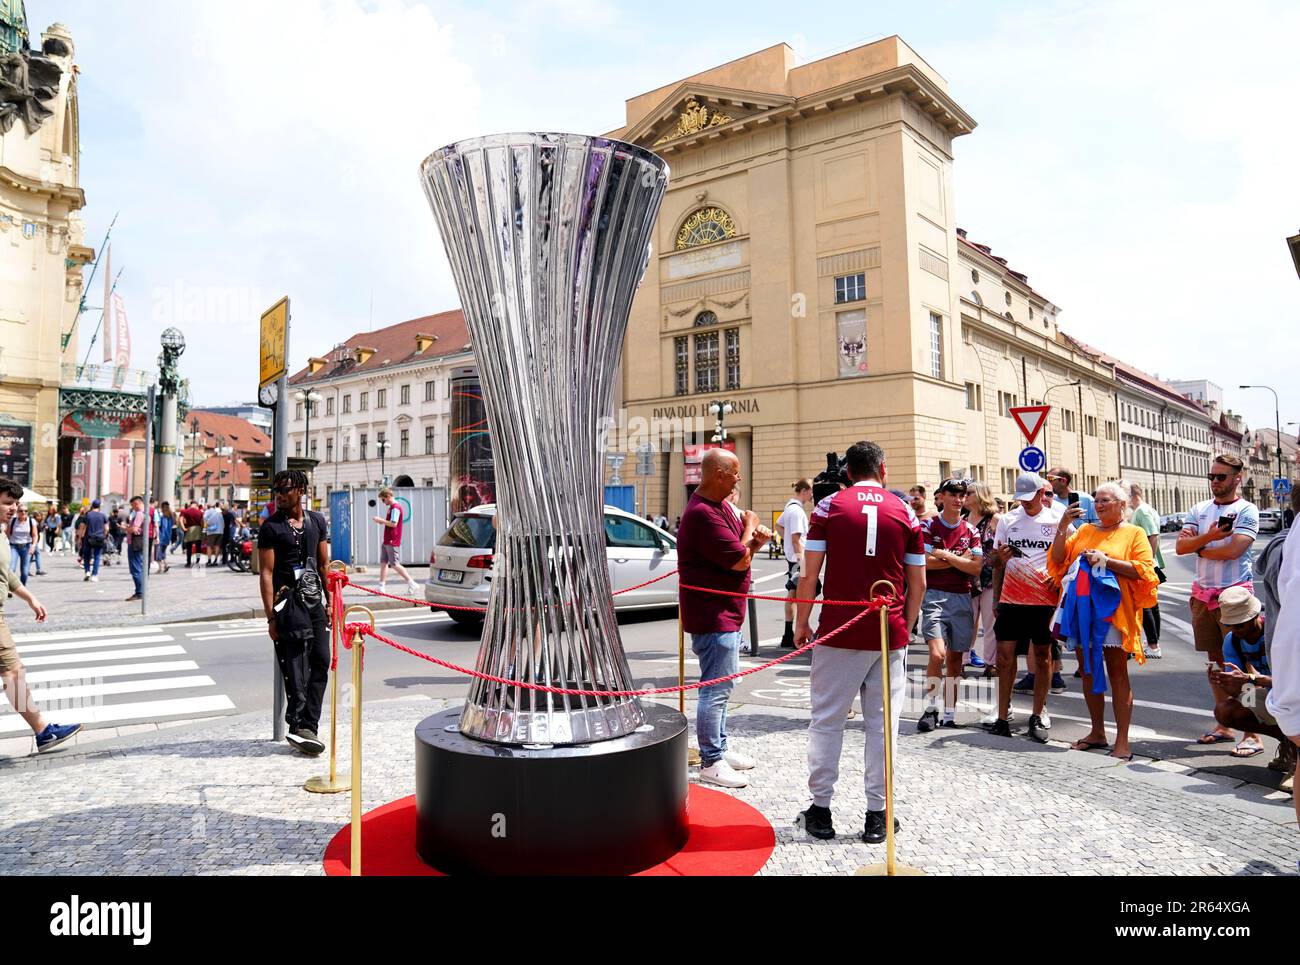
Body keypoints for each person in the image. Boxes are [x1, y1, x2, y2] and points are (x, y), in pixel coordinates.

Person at [792, 441, 925, 843]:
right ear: (883, 469)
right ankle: (878, 815)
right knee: (882, 727)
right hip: (889, 631)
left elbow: (809, 573)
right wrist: (907, 624)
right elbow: (917, 581)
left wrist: (802, 620)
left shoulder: (827, 507)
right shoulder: (905, 510)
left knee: (827, 721)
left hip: (838, 628)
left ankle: (820, 810)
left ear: (848, 471)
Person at [676, 447, 771, 788]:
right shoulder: (702, 513)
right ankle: (711, 759)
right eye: (734, 472)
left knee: (723, 684)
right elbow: (738, 561)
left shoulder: (718, 508)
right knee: (715, 688)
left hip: (725, 612)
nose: (738, 478)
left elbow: (739, 553)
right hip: (712, 614)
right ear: (718, 474)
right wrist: (750, 526)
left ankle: (720, 747)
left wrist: (753, 541)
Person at [1049, 481, 1158, 760]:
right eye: (1096, 500)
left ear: (1122, 505)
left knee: (1118, 673)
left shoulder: (1134, 533)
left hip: (1115, 614)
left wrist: (1105, 561)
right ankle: (1097, 732)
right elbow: (1059, 559)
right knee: (1087, 671)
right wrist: (1062, 524)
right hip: (1083, 611)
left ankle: (1122, 740)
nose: (1098, 505)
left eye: (1105, 500)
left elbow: (1144, 571)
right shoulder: (1085, 530)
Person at [1176, 453, 1261, 755]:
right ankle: (1224, 723)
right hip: (1202, 595)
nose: (1214, 482)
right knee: (1214, 664)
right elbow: (1180, 546)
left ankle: (1252, 730)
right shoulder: (1199, 509)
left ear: (1238, 477)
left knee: (1242, 665)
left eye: (1221, 476)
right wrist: (1211, 538)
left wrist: (1200, 547)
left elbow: (1235, 550)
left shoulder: (1247, 510)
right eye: (1211, 476)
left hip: (1235, 596)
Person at [0, 478, 82, 752]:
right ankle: (44, 732)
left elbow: (7, 575)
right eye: (7, 503)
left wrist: (30, 598)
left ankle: (43, 730)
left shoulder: (1, 532)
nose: (13, 509)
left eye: (15, 504)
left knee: (14, 674)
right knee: (13, 674)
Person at [987, 472, 1066, 741]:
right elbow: (994, 563)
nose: (1025, 504)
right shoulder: (1008, 520)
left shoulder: (1057, 519)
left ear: (1042, 494)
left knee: (1043, 657)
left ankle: (1038, 713)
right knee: (1005, 657)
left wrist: (1060, 580)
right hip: (1012, 598)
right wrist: (999, 560)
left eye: (1030, 498)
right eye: (1020, 499)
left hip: (1044, 600)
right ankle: (1002, 715)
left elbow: (1072, 556)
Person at [258, 469, 331, 756]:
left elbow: (325, 565)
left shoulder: (316, 521)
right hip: (287, 603)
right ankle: (299, 725)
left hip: (314, 601)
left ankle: (309, 724)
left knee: (321, 661)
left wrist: (333, 600)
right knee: (295, 666)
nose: (279, 494)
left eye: (285, 489)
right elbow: (266, 573)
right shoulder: (271, 527)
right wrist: (270, 617)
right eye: (276, 489)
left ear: (300, 490)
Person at [917, 478, 982, 731]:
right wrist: (956, 559)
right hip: (934, 595)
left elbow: (976, 567)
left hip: (962, 597)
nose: (958, 499)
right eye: (952, 494)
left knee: (955, 660)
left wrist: (942, 554)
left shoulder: (971, 530)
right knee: (937, 654)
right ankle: (930, 707)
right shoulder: (928, 525)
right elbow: (924, 561)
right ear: (941, 496)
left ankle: (949, 713)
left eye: (962, 495)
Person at [965, 482, 1002, 678]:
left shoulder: (994, 519)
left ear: (980, 496)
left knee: (990, 622)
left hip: (989, 578)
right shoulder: (963, 519)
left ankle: (991, 663)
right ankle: (961, 660)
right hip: (967, 578)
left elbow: (1002, 547)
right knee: (966, 622)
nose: (965, 496)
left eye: (969, 493)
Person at [1128, 482, 1165, 658]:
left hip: (1145, 564)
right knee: (1151, 604)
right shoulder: (1148, 509)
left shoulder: (1141, 511)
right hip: (1151, 563)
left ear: (1130, 495)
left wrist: (1146, 562)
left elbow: (1152, 535)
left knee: (1145, 605)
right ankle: (1154, 641)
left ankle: (1153, 644)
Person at [776, 478, 814, 649]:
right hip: (798, 559)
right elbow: (796, 539)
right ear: (804, 491)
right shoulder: (797, 511)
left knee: (792, 596)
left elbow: (779, 526)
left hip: (793, 558)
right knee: (800, 596)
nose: (812, 494)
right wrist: (802, 562)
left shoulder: (789, 508)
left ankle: (788, 633)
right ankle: (793, 633)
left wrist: (788, 546)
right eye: (811, 490)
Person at [372, 487, 420, 595]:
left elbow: (394, 523)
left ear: (388, 496)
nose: (383, 502)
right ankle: (381, 587)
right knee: (383, 563)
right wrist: (383, 522)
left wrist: (381, 520)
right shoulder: (392, 507)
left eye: (383, 500)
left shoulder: (395, 508)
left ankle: (412, 583)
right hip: (387, 540)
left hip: (392, 540)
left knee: (394, 564)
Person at [78, 499, 108, 581]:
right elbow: (106, 528)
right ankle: (94, 575)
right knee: (97, 556)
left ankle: (87, 571)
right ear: (99, 506)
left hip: (88, 537)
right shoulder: (103, 515)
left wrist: (80, 538)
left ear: (92, 506)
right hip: (99, 537)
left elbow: (82, 527)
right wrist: (104, 536)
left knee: (87, 556)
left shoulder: (87, 515)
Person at [124, 495, 147, 602]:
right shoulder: (145, 513)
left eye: (132, 505)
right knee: (139, 567)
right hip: (140, 542)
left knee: (135, 569)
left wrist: (125, 528)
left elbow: (134, 529)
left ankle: (139, 592)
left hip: (134, 543)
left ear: (137, 503)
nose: (132, 507)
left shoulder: (138, 514)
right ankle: (141, 591)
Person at [6, 504, 34, 585]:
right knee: (11, 568)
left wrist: (33, 546)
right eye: (21, 511)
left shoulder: (31, 521)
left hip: (27, 547)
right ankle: (9, 589)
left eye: (25, 511)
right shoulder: (12, 521)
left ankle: (22, 587)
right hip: (13, 546)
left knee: (25, 572)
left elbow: (35, 535)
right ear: (17, 512)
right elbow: (7, 534)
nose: (23, 512)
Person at [180, 500, 204, 566]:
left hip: (189, 529)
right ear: (196, 505)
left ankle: (188, 562)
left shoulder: (185, 511)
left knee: (189, 547)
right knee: (198, 547)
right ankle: (198, 561)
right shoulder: (199, 512)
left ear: (190, 504)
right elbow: (202, 522)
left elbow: (181, 519)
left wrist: (183, 528)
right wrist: (202, 529)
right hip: (198, 529)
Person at [203, 501, 224, 566]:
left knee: (209, 546)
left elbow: (205, 520)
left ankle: (209, 560)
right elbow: (223, 522)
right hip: (220, 531)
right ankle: (215, 560)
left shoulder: (207, 512)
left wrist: (205, 529)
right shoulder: (219, 512)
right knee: (217, 545)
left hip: (212, 531)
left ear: (208, 507)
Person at [155, 502, 174, 574]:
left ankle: (160, 568)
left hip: (161, 536)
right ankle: (165, 565)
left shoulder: (162, 516)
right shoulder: (171, 516)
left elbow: (162, 526)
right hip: (168, 536)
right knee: (163, 552)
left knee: (158, 553)